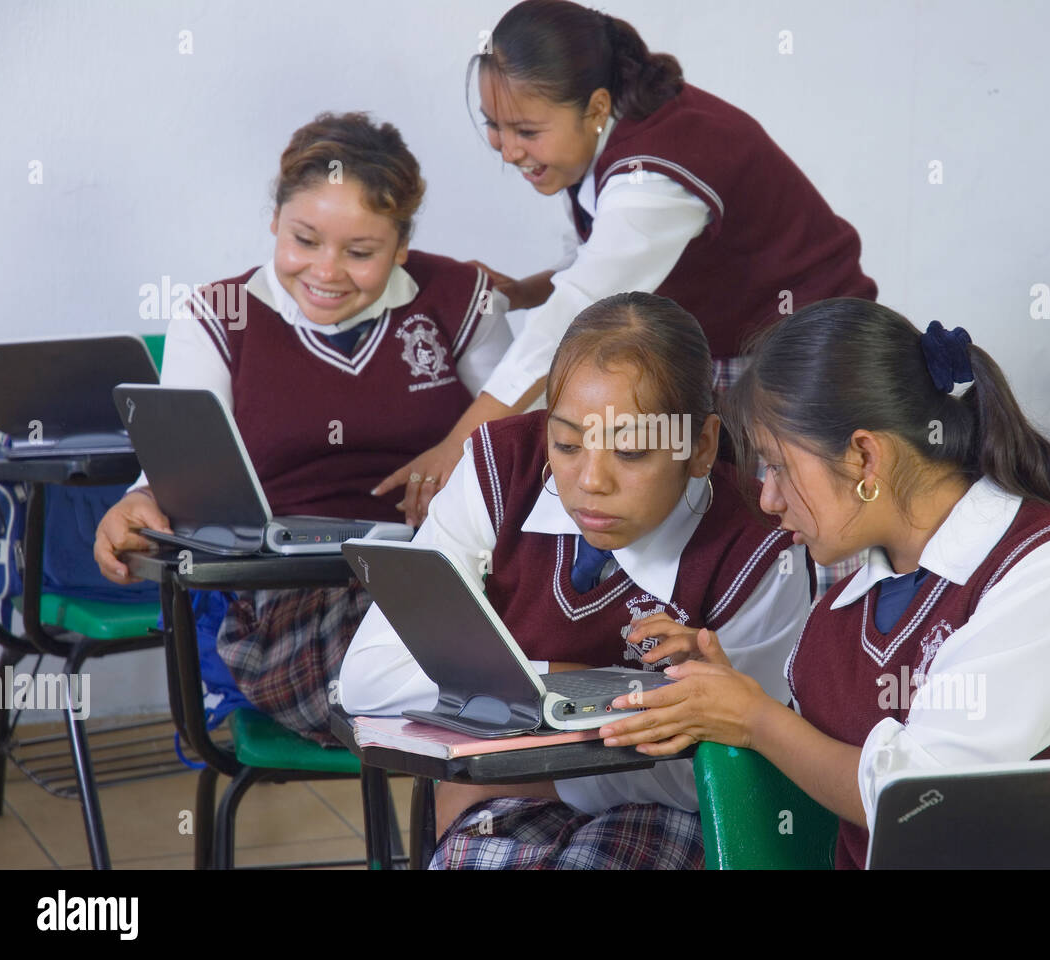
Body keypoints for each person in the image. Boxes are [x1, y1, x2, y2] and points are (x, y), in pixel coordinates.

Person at [599, 298, 1050, 869]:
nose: (768, 499)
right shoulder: (843, 611)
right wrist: (726, 696)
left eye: (779, 467)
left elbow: (921, 799)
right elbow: (824, 769)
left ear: (865, 458)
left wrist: (756, 718)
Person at [403, 0, 877, 594]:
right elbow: (614, 259)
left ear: (596, 107)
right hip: (737, 355)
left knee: (818, 539)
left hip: (813, 363)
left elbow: (581, 303)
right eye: (493, 125)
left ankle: (833, 677)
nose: (507, 148)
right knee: (745, 544)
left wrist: (461, 443)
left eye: (526, 130)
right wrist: (529, 289)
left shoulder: (657, 168)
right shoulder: (630, 135)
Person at [339, 292, 813, 868]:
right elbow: (368, 678)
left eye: (632, 452)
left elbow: (724, 770)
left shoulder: (760, 552)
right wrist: (583, 685)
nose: (590, 481)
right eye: (566, 444)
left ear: (700, 446)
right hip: (509, 799)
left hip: (670, 812)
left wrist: (522, 768)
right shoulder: (500, 468)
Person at [93, 112, 511, 744]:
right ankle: (501, 715)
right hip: (288, 601)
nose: (325, 270)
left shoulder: (460, 297)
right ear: (274, 222)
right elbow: (170, 473)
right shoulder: (218, 316)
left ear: (401, 248)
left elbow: (523, 433)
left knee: (495, 645)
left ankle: (488, 776)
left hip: (444, 575)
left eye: (361, 252)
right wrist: (140, 500)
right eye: (304, 239)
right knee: (482, 684)